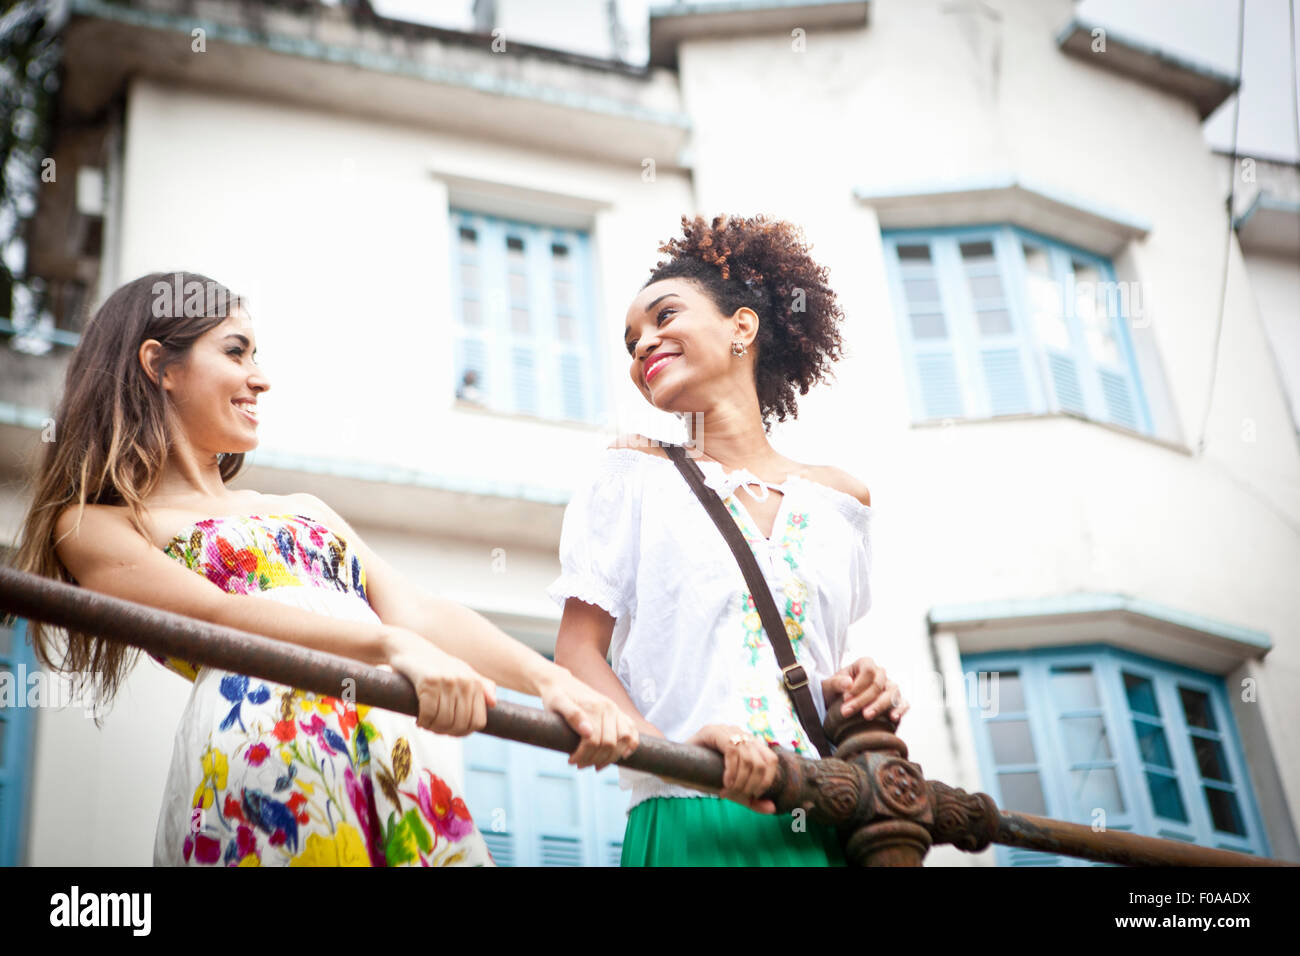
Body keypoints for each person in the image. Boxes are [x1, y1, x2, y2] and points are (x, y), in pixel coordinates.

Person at [11, 271, 638, 867]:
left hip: (383, 752)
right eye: (236, 352)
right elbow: (219, 617)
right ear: (160, 366)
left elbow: (418, 609)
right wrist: (391, 645)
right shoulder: (93, 523)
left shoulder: (303, 510)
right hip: (266, 759)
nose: (260, 379)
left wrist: (554, 682)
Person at [552, 214, 910, 866]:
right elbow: (577, 654)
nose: (641, 345)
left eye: (663, 318)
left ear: (741, 326)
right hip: (690, 812)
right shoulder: (632, 472)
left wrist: (858, 687)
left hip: (823, 815)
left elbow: (811, 662)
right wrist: (672, 756)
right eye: (630, 339)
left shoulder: (841, 502)